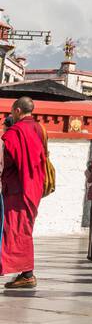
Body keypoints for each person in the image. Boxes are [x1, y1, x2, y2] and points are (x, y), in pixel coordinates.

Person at [1, 98, 47, 292]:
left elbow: (7, 161)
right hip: (34, 186)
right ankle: (26, 274)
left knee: (14, 230)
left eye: (12, 112)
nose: (11, 115)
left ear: (18, 110)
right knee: (22, 230)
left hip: (17, 188)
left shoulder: (15, 132)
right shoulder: (40, 129)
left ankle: (26, 274)